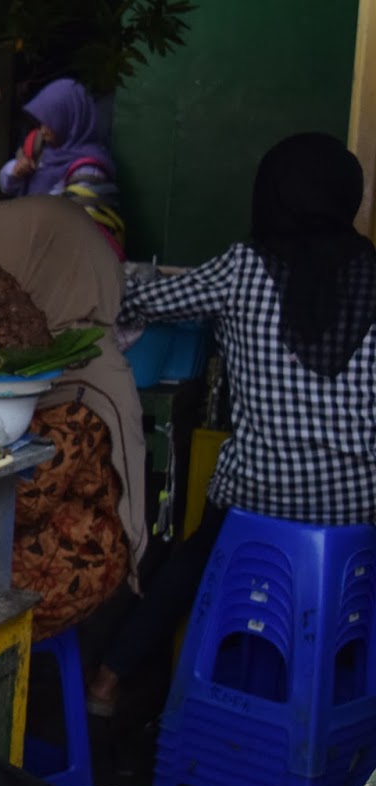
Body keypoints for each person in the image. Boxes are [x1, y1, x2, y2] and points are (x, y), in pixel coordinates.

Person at [86, 133, 376, 713]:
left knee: (191, 555)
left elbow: (139, 303)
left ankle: (109, 680)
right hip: (361, 504)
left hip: (260, 495)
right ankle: (337, 706)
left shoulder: (245, 268)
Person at [0, 197, 147, 641]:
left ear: (47, 267)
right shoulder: (53, 352)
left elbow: (30, 497)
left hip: (71, 557)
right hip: (41, 536)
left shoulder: (82, 377)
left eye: (6, 262)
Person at [0, 78, 123, 258]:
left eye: (50, 122)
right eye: (41, 123)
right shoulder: (41, 149)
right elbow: (7, 185)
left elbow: (78, 227)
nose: (43, 130)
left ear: (70, 120)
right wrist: (14, 171)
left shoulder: (89, 168)